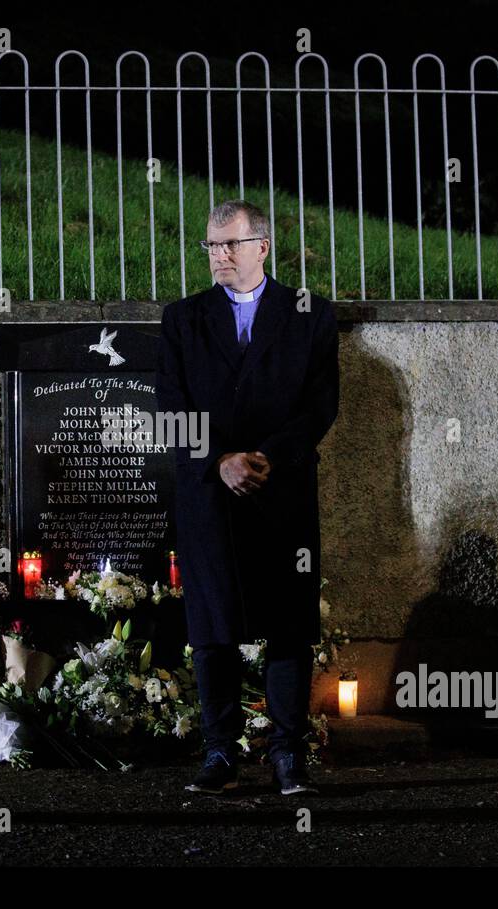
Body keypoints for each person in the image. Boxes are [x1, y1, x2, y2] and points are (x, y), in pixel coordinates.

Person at [156, 200, 339, 796]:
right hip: (209, 495)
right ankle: (219, 754)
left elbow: (319, 405)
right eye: (211, 246)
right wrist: (219, 461)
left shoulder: (309, 315)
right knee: (213, 627)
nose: (220, 256)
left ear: (262, 246)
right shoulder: (182, 319)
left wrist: (264, 457)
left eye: (231, 244)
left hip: (278, 492)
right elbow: (171, 407)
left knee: (286, 625)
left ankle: (288, 753)